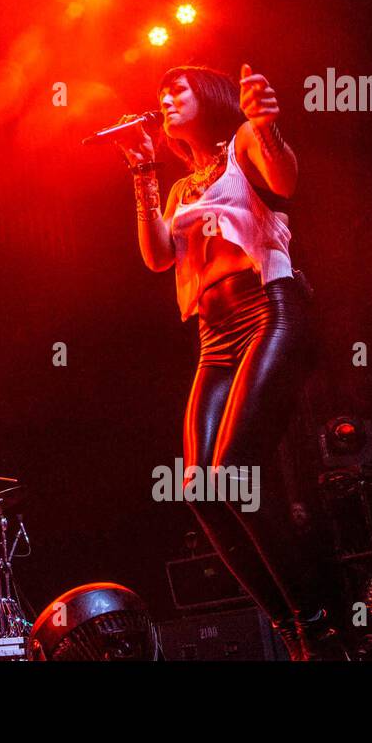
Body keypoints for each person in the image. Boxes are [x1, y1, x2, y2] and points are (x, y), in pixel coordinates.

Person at [117, 63, 345, 660]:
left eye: (177, 90)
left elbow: (285, 181)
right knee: (202, 488)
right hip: (213, 338)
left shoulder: (243, 142)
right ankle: (296, 629)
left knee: (238, 468)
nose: (165, 100)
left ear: (210, 97)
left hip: (270, 308)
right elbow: (158, 258)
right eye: (159, 93)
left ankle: (318, 624)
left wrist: (265, 124)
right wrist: (143, 169)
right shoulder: (179, 187)